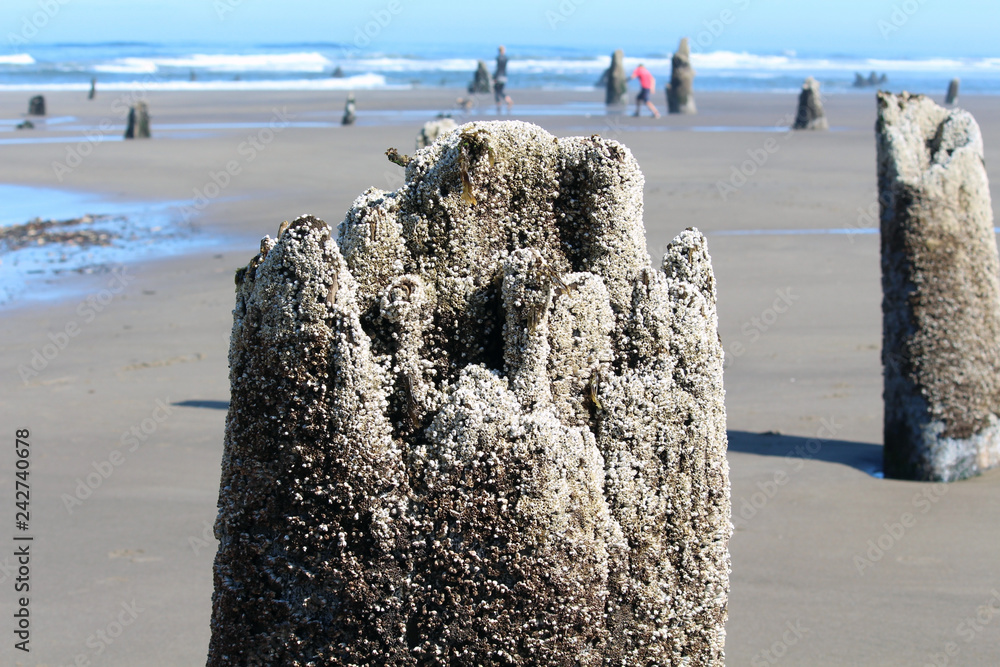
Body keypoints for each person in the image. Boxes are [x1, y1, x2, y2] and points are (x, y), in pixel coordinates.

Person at [494, 45, 513, 113]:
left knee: (497, 90)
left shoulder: (498, 58)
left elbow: (498, 68)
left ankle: (498, 103)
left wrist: (494, 77)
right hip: (504, 76)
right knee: (501, 90)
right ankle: (508, 99)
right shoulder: (506, 58)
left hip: (499, 76)